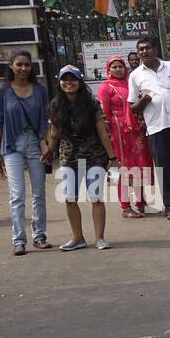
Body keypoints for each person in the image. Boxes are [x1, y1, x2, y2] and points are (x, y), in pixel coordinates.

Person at [45, 66, 118, 251]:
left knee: (96, 198)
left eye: (73, 79)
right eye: (65, 79)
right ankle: (77, 238)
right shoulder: (55, 105)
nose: (69, 82)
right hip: (68, 157)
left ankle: (100, 238)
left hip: (94, 156)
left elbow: (103, 133)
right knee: (70, 199)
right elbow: (54, 133)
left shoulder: (92, 103)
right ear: (59, 83)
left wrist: (112, 157)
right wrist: (48, 152)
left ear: (80, 82)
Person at [0, 50, 51, 255]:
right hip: (11, 146)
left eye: (27, 65)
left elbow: (45, 119)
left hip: (35, 144)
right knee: (17, 195)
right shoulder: (3, 90)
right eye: (19, 65)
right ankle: (18, 240)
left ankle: (39, 236)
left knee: (38, 193)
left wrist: (45, 143)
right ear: (11, 66)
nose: (23, 68)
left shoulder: (40, 90)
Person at [128, 35, 170, 217]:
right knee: (163, 168)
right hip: (156, 127)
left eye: (147, 48)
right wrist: (143, 100)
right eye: (141, 49)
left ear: (155, 49)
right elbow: (133, 108)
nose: (144, 52)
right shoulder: (136, 76)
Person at [96, 54, 155, 218]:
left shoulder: (131, 82)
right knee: (122, 168)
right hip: (117, 131)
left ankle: (141, 202)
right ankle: (125, 206)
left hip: (136, 130)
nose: (118, 69)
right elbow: (104, 113)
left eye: (120, 66)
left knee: (139, 165)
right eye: (114, 67)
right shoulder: (105, 87)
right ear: (108, 69)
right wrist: (108, 134)